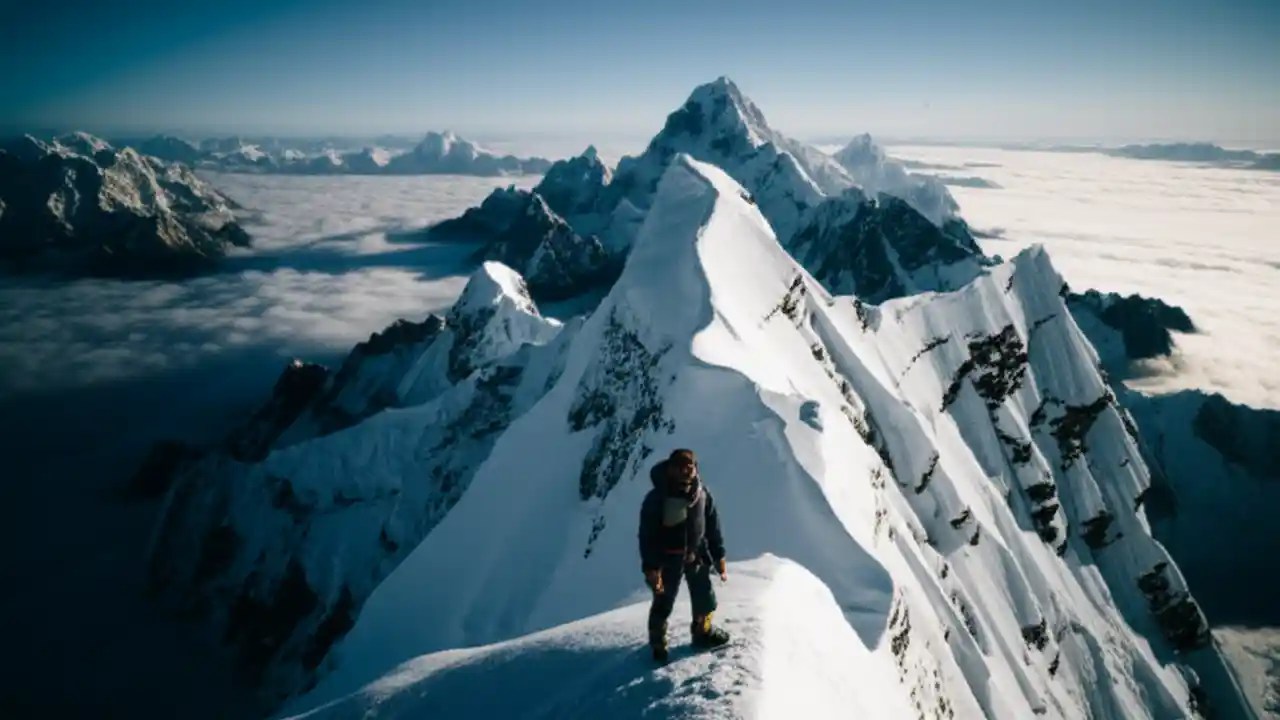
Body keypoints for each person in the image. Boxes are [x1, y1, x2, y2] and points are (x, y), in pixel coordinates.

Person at [638, 448, 731, 663]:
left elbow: (712, 527)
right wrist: (652, 567)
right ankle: (658, 645)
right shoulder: (657, 499)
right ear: (670, 469)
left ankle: (702, 632)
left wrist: (719, 556)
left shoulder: (701, 494)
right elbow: (647, 535)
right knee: (663, 602)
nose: (686, 472)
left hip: (695, 555)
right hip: (666, 560)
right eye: (680, 467)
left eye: (690, 467)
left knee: (704, 598)